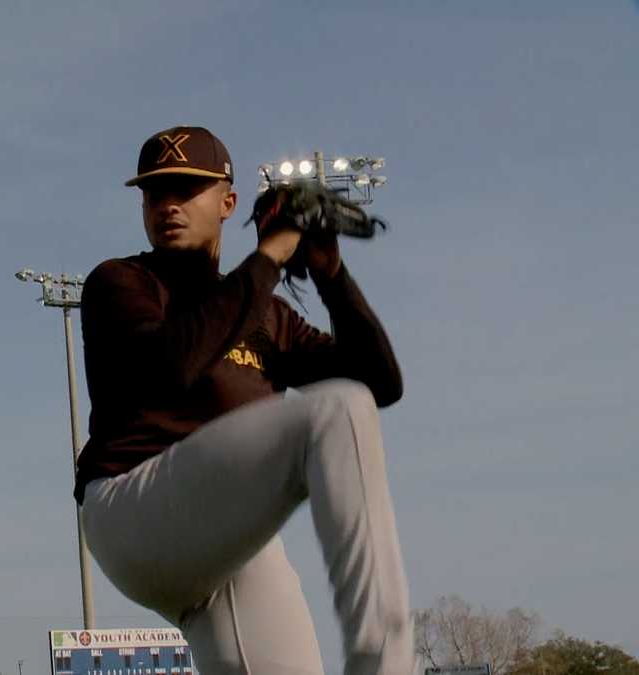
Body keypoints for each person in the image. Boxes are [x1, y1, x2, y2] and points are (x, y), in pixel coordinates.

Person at [75, 126, 415, 675]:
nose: (168, 204)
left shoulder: (267, 316)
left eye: (186, 189)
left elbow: (381, 381)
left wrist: (332, 274)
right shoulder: (122, 282)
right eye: (155, 192)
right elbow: (176, 364)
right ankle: (386, 662)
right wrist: (274, 252)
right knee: (334, 412)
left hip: (223, 538)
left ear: (228, 202)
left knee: (349, 399)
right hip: (134, 507)